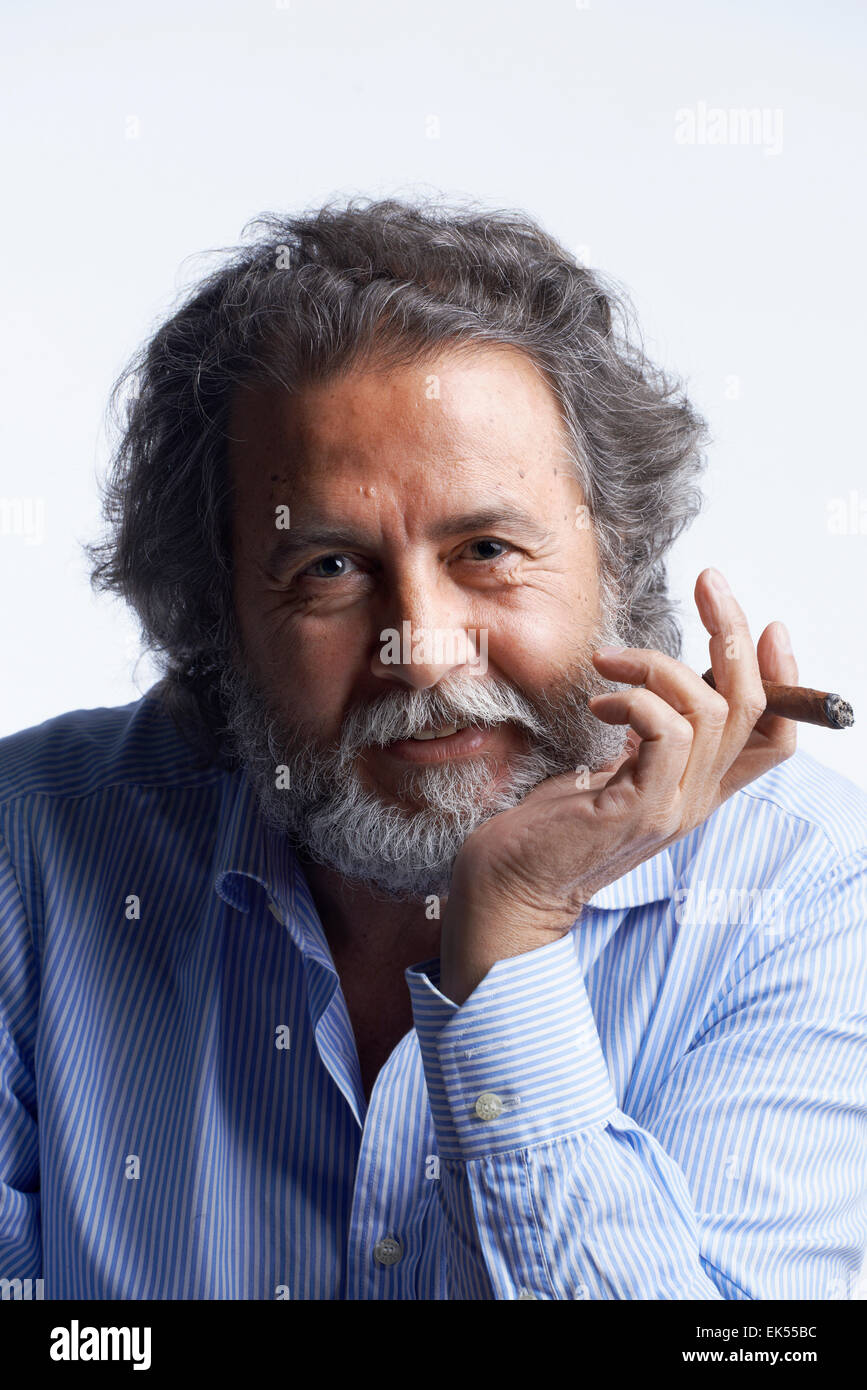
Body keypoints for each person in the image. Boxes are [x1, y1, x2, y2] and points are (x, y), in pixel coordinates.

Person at [1, 197, 864, 1300]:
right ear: (219, 613)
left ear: (622, 557)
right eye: (328, 569)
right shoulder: (26, 849)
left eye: (489, 547)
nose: (422, 650)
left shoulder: (808, 889)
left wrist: (510, 941)